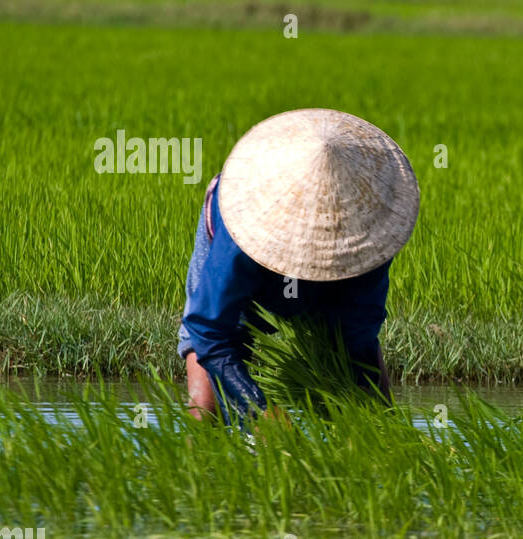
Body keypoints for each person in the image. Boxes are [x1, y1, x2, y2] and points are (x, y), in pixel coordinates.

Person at [178, 109, 419, 422]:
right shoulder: (242, 232)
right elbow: (209, 329)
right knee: (205, 408)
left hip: (332, 283)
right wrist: (258, 410)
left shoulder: (367, 237)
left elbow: (358, 338)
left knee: (369, 413)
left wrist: (370, 419)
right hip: (252, 265)